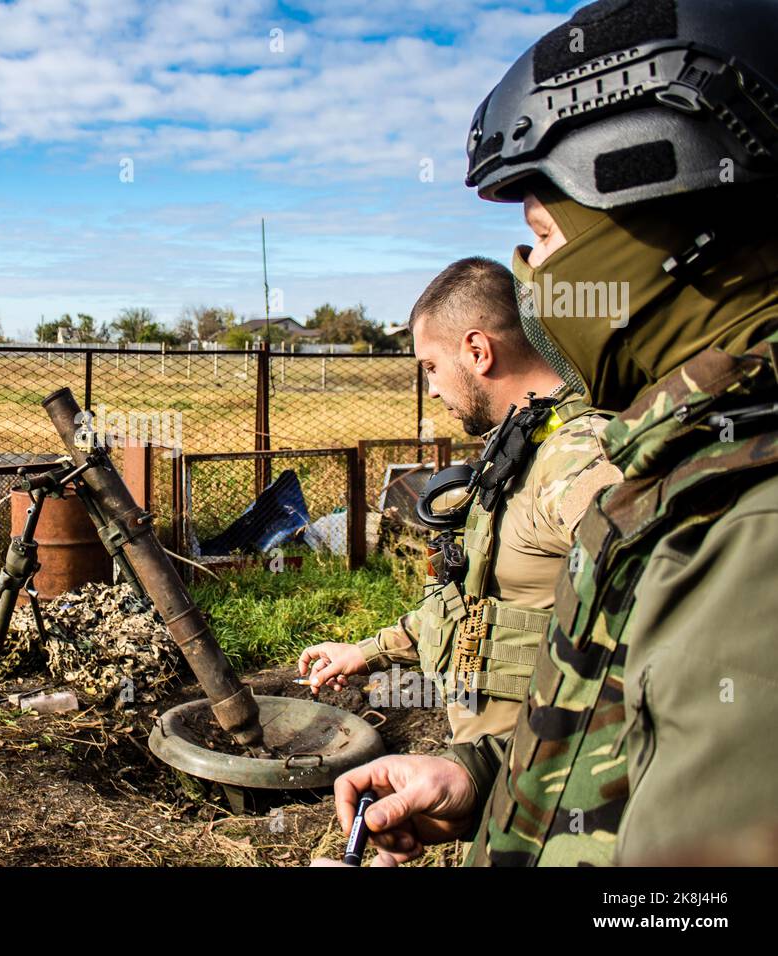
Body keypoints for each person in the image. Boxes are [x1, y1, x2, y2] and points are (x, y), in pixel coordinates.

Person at [328, 0, 778, 866]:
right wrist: (481, 776)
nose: (534, 274)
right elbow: (624, 736)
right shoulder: (686, 462)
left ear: (660, 209)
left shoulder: (738, 517)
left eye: (543, 235)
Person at [298, 257, 620, 744]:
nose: (431, 388)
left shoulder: (577, 458)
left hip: (547, 779)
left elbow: (660, 625)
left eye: (430, 366)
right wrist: (368, 652)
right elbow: (475, 607)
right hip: (496, 774)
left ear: (477, 351)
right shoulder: (519, 444)